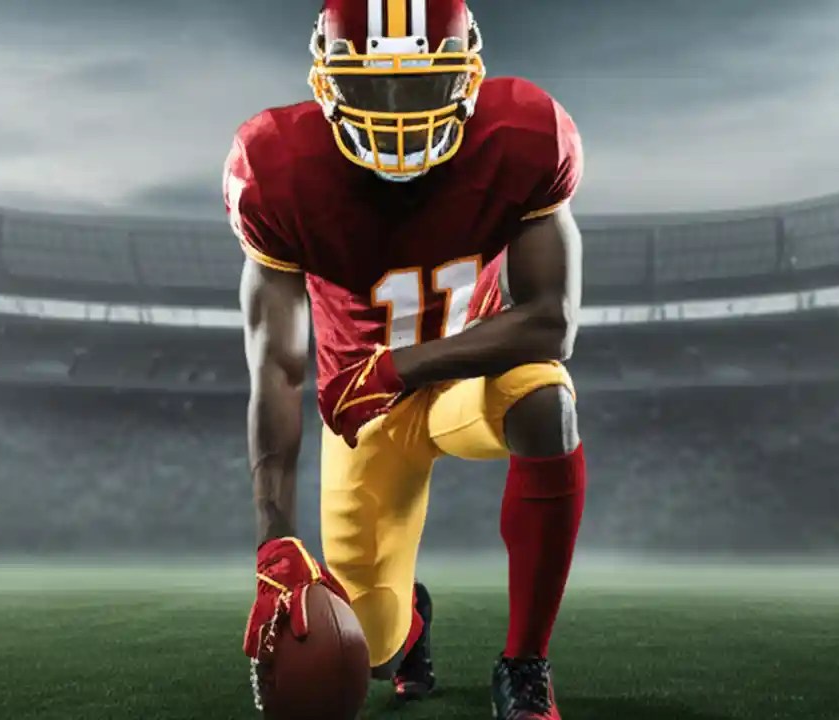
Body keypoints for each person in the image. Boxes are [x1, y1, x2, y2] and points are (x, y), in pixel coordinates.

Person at [229, 1, 586, 717]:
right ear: (328, 79)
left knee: (549, 401)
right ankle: (409, 622)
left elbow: (551, 323)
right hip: (361, 417)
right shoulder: (279, 168)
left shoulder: (523, 135)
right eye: (372, 86)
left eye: (421, 84)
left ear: (466, 75)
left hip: (471, 374)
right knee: (370, 649)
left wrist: (398, 367)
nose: (398, 114)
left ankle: (525, 664)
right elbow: (276, 367)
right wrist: (275, 540)